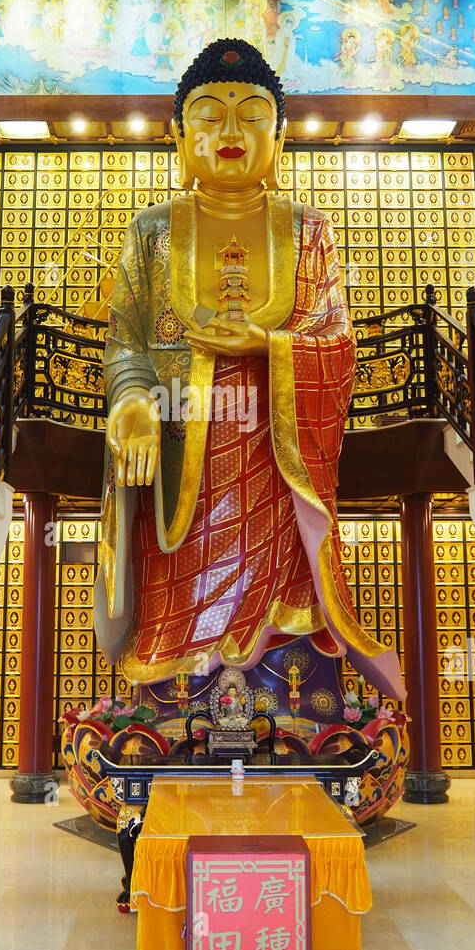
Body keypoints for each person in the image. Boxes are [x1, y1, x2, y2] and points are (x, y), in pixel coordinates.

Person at [93, 38, 403, 715]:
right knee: (176, 573)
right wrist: (134, 403)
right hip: (180, 450)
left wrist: (270, 345)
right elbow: (125, 343)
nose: (229, 132)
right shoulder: (151, 231)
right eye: (207, 115)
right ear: (178, 136)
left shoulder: (308, 228)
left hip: (275, 452)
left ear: (279, 135)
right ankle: (171, 709)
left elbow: (336, 340)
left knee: (284, 583)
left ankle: (290, 705)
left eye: (250, 115)